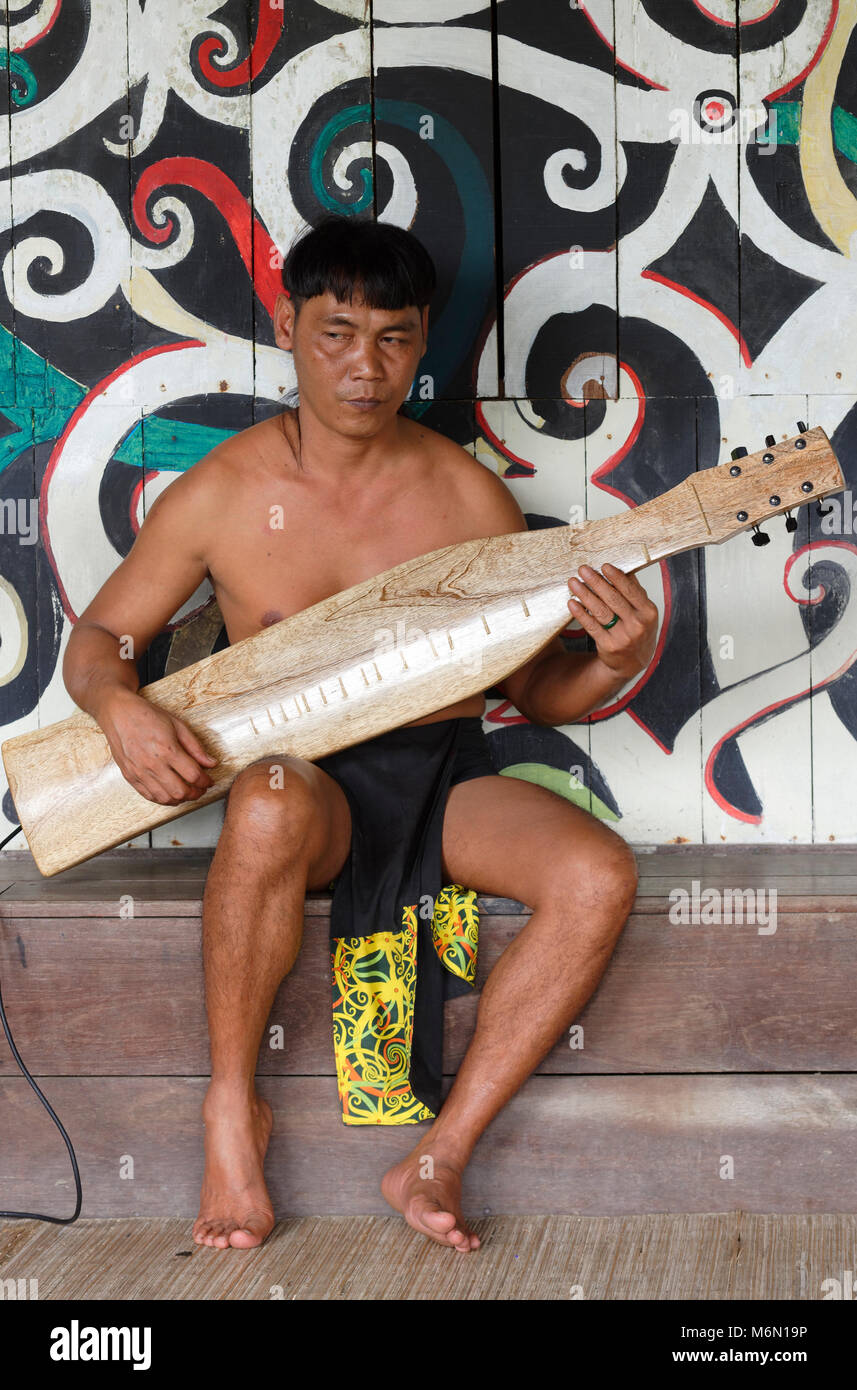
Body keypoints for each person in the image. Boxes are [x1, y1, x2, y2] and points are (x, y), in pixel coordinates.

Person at [62, 214, 658, 1255]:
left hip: (442, 775)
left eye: (392, 336)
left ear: (421, 343)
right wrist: (119, 706)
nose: (363, 364)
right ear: (287, 325)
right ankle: (230, 1113)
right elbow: (103, 636)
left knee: (597, 873)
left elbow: (530, 688)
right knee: (270, 797)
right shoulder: (225, 491)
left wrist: (610, 659)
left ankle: (439, 1152)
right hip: (304, 789)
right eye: (336, 331)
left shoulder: (467, 493)